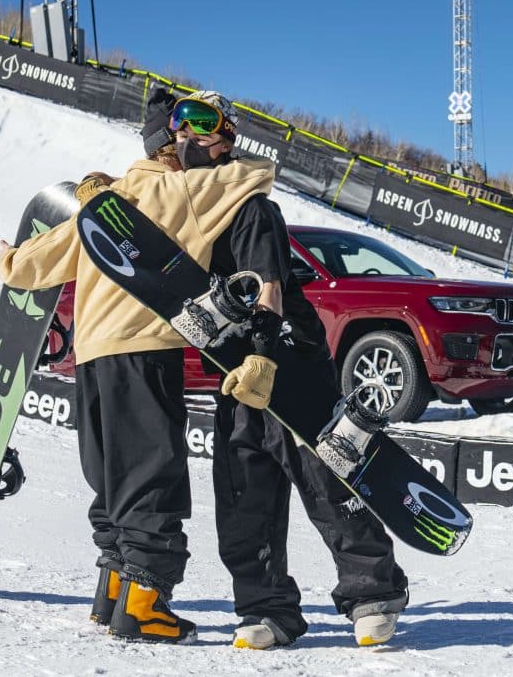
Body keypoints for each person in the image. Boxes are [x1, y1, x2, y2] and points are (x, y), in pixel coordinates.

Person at [0, 87, 274, 644]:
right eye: (188, 127)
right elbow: (254, 179)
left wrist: (12, 260)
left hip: (91, 358)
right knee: (151, 475)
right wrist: (233, 150)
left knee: (112, 479)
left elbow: (38, 259)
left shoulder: (114, 199)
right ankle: (145, 606)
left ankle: (114, 594)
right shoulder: (187, 191)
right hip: (144, 348)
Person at [170, 90, 410, 648]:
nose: (188, 136)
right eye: (180, 127)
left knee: (324, 482)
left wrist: (264, 348)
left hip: (285, 364)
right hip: (237, 375)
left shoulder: (251, 207)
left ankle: (372, 593)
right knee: (242, 495)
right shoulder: (186, 211)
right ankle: (266, 607)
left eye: (202, 124)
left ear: (227, 136)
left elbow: (267, 287)